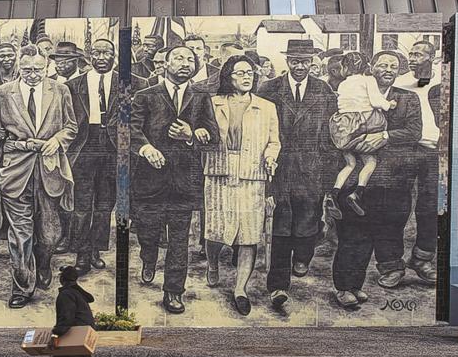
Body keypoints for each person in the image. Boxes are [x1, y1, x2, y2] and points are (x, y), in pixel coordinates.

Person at [0, 46, 78, 308]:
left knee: (50, 234)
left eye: (38, 69)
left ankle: (43, 262)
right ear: (19, 66)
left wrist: (57, 140)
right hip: (15, 169)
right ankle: (22, 286)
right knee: (20, 234)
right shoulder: (2, 93)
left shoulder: (61, 90)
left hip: (49, 168)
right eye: (27, 69)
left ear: (47, 66)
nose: (33, 74)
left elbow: (71, 127)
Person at [130, 45, 218, 314]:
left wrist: (191, 135)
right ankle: (148, 256)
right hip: (149, 178)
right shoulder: (145, 95)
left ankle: (174, 291)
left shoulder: (201, 97)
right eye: (178, 58)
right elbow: (130, 129)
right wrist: (146, 149)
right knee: (148, 230)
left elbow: (213, 135)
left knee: (180, 239)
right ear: (165, 64)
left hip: (184, 180)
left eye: (190, 59)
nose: (185, 63)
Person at [331, 51, 422, 308]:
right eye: (383, 64)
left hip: (392, 179)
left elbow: (414, 131)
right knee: (352, 235)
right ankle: (343, 287)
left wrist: (384, 136)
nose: (388, 69)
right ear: (372, 67)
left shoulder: (408, 98)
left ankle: (358, 285)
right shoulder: (353, 90)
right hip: (357, 180)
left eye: (394, 66)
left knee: (381, 231)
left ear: (399, 71)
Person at [258, 39, 339, 312]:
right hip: (278, 166)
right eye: (295, 61)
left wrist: (328, 174)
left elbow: (331, 135)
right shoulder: (268, 89)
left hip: (312, 167)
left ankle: (303, 255)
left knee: (308, 220)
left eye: (305, 61)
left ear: (312, 62)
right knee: (280, 226)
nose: (300, 66)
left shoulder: (324, 91)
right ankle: (278, 286)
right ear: (287, 61)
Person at [202, 56, 280, 316]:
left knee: (249, 233)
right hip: (219, 170)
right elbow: (202, 133)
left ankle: (240, 289)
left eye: (250, 73)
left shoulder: (266, 107)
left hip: (252, 172)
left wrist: (270, 157)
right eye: (240, 73)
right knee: (216, 229)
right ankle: (212, 265)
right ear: (228, 76)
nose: (247, 77)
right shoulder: (212, 103)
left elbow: (274, 142)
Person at [14, 265, 105, 357]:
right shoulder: (79, 294)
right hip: (81, 339)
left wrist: (56, 335)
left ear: (62, 279)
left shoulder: (66, 295)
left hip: (71, 339)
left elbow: (66, 318)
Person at [66, 39, 119, 274]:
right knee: (82, 204)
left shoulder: (128, 83)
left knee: (105, 204)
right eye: (97, 52)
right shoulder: (72, 85)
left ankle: (96, 249)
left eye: (107, 53)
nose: (102, 57)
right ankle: (82, 253)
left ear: (114, 55)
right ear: (89, 56)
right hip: (85, 146)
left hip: (113, 147)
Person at [392, 39, 443, 286]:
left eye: (418, 54)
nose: (412, 58)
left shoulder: (442, 82)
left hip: (434, 152)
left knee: (430, 206)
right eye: (411, 54)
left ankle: (422, 259)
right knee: (396, 206)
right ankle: (392, 264)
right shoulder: (400, 83)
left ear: (431, 57)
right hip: (405, 150)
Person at [328, 51, 397, 217]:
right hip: (363, 124)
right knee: (370, 161)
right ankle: (357, 193)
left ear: (345, 67)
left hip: (343, 127)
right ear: (366, 67)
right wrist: (389, 105)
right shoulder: (368, 80)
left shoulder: (343, 84)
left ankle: (334, 194)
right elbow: (375, 101)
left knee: (350, 164)